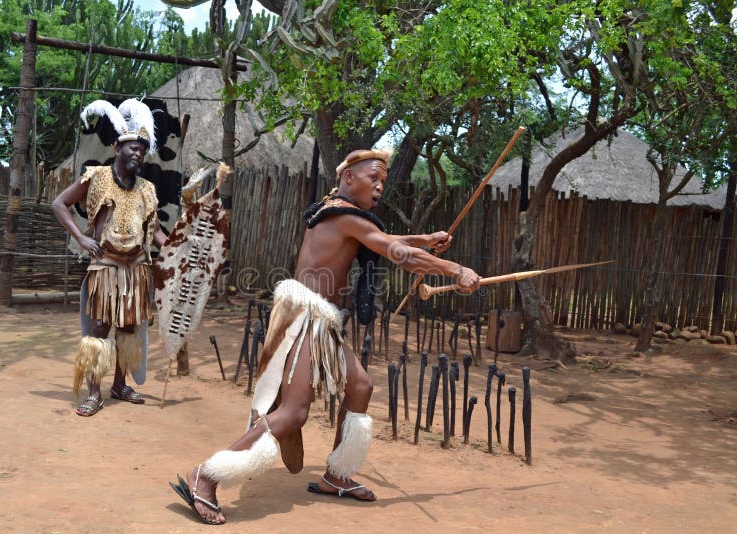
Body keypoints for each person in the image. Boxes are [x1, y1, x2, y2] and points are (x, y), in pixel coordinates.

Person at [171, 148, 480, 524]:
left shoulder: (335, 211)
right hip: (306, 319)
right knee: (293, 413)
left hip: (319, 320)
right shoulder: (345, 216)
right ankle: (205, 476)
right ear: (349, 178)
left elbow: (382, 237)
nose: (380, 186)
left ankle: (337, 476)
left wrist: (423, 239)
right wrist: (454, 269)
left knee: (360, 386)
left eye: (383, 180)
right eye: (374, 178)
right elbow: (395, 251)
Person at [51, 99, 167, 417]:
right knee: (99, 329)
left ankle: (119, 385)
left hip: (136, 270)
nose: (138, 153)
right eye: (132, 147)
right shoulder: (97, 177)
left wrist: (175, 248)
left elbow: (155, 232)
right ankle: (93, 393)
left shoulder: (147, 189)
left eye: (143, 148)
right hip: (105, 266)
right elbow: (59, 204)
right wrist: (80, 237)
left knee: (128, 330)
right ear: (117, 147)